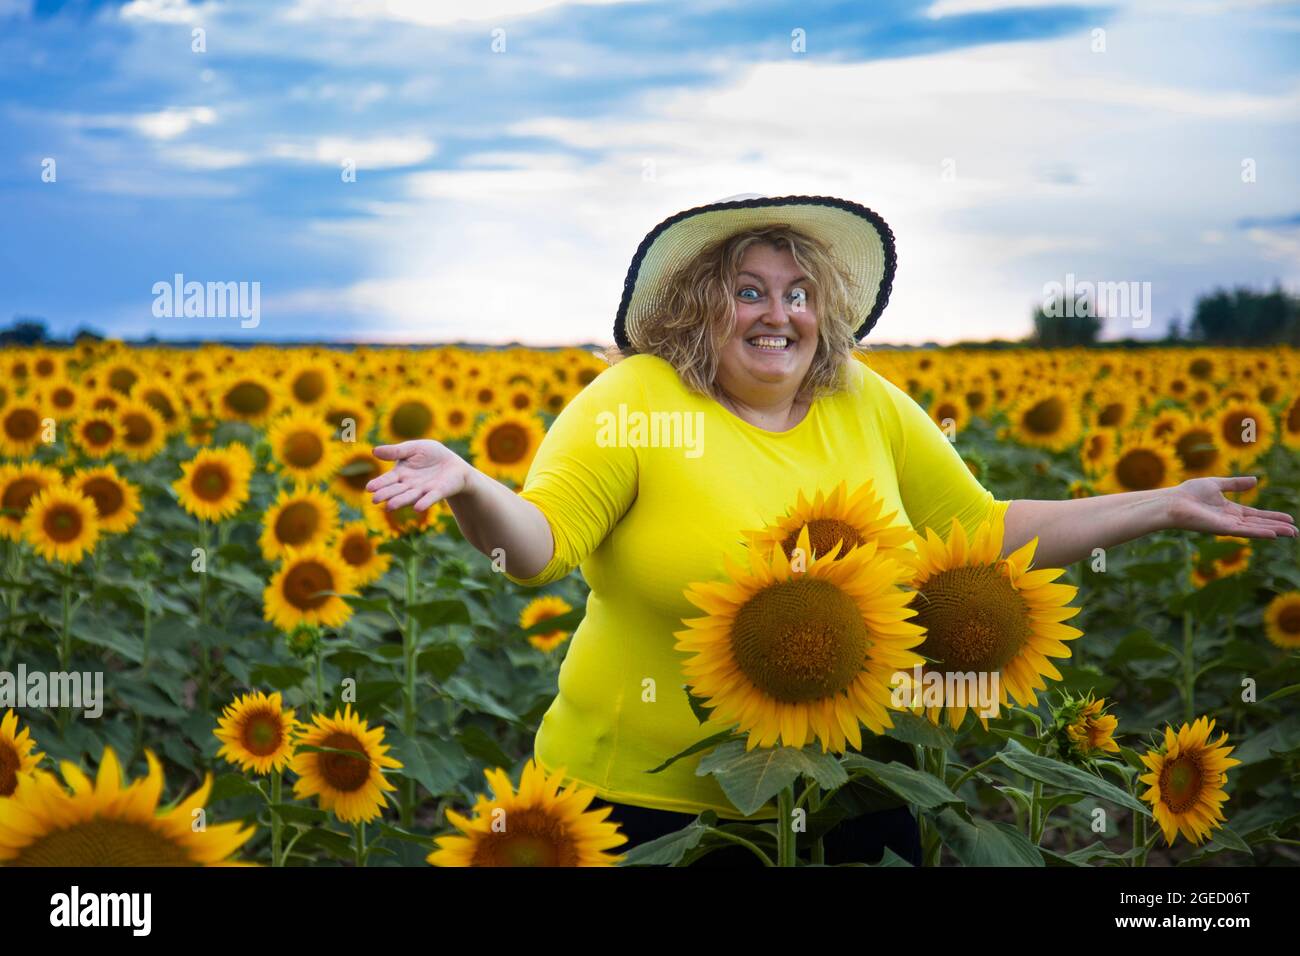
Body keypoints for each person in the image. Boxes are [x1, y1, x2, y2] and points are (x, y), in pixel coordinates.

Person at [366, 193, 1297, 866]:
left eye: (800, 292)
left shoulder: (863, 401)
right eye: (750, 291)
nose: (781, 314)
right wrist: (470, 487)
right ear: (698, 305)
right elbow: (536, 547)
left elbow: (980, 527)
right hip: (639, 806)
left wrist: (1162, 505)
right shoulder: (636, 400)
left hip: (851, 780)